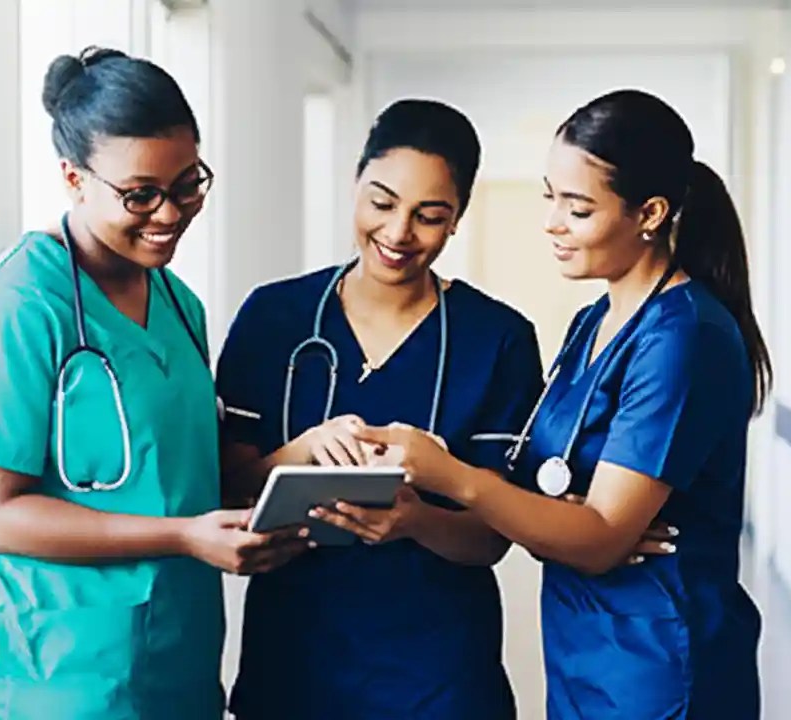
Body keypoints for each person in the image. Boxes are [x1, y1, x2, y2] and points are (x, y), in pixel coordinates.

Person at [214, 98, 675, 720]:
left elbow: (491, 537)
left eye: (430, 216)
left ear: (457, 219)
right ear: (355, 185)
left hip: (437, 675)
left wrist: (414, 520)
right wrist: (296, 456)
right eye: (380, 203)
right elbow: (228, 487)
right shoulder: (275, 318)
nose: (399, 233)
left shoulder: (496, 338)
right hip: (295, 661)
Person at [353, 89, 771, 719]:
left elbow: (600, 539)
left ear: (650, 213)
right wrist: (562, 515)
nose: (552, 222)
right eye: (550, 196)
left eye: (577, 208)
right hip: (583, 649)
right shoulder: (592, 322)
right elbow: (555, 502)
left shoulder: (684, 337)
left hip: (659, 661)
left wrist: (459, 480)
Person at [0, 46, 307, 719]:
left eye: (188, 183)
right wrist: (186, 537)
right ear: (73, 178)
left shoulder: (177, 304)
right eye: (140, 195)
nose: (169, 213)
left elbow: (180, 483)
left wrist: (302, 464)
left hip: (172, 670)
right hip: (45, 679)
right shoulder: (16, 305)